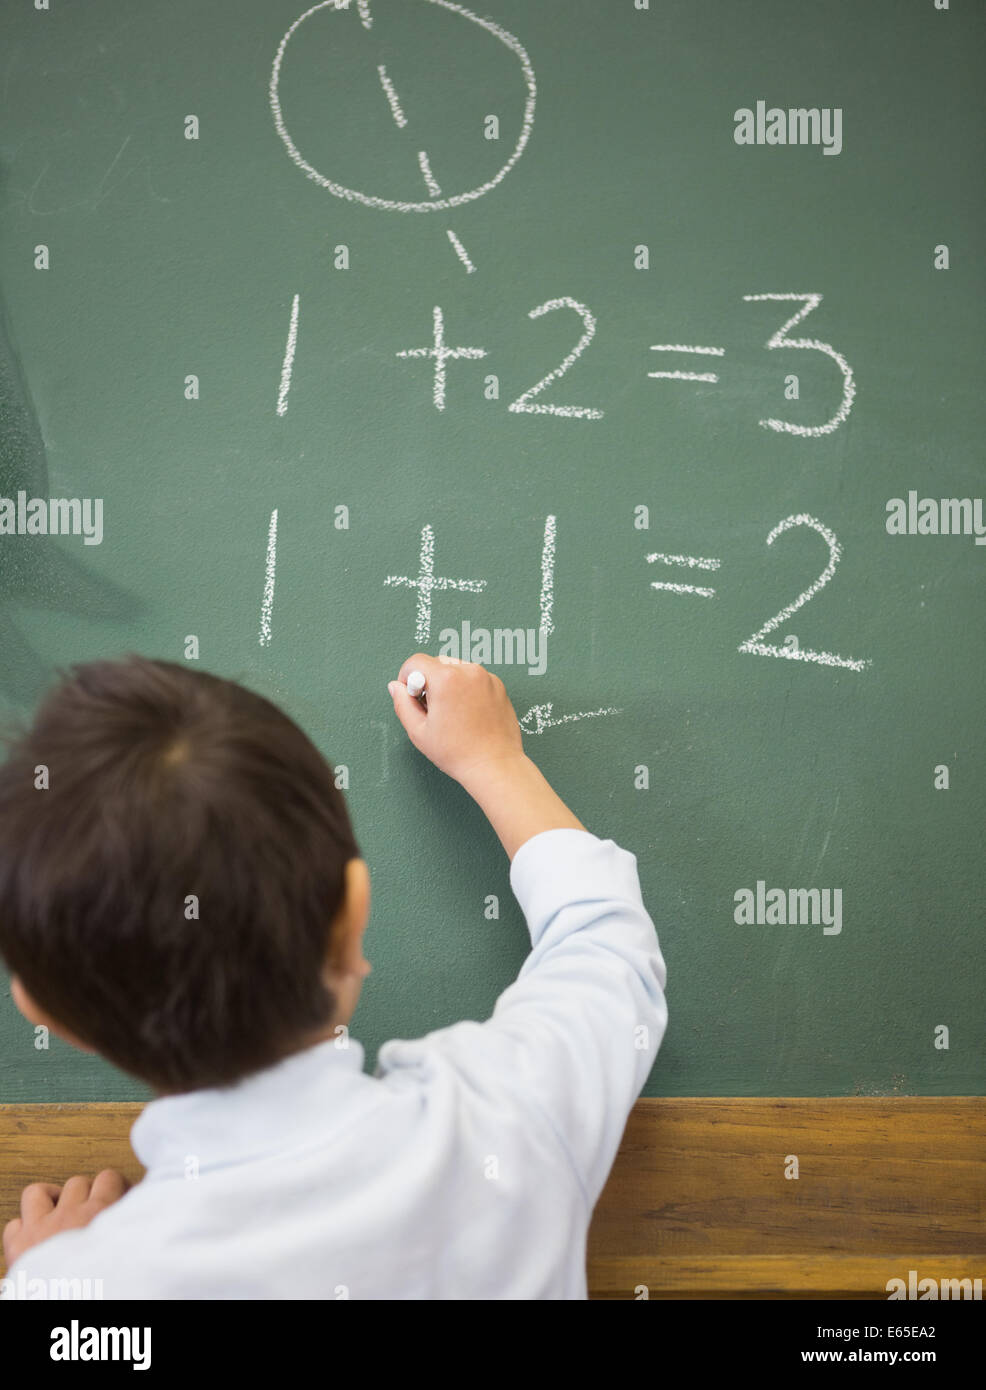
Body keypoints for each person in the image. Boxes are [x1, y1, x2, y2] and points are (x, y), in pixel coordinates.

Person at [0, 653, 667, 1299]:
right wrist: (496, 762)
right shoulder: (508, 1118)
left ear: (45, 1014)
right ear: (353, 916)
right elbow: (606, 945)